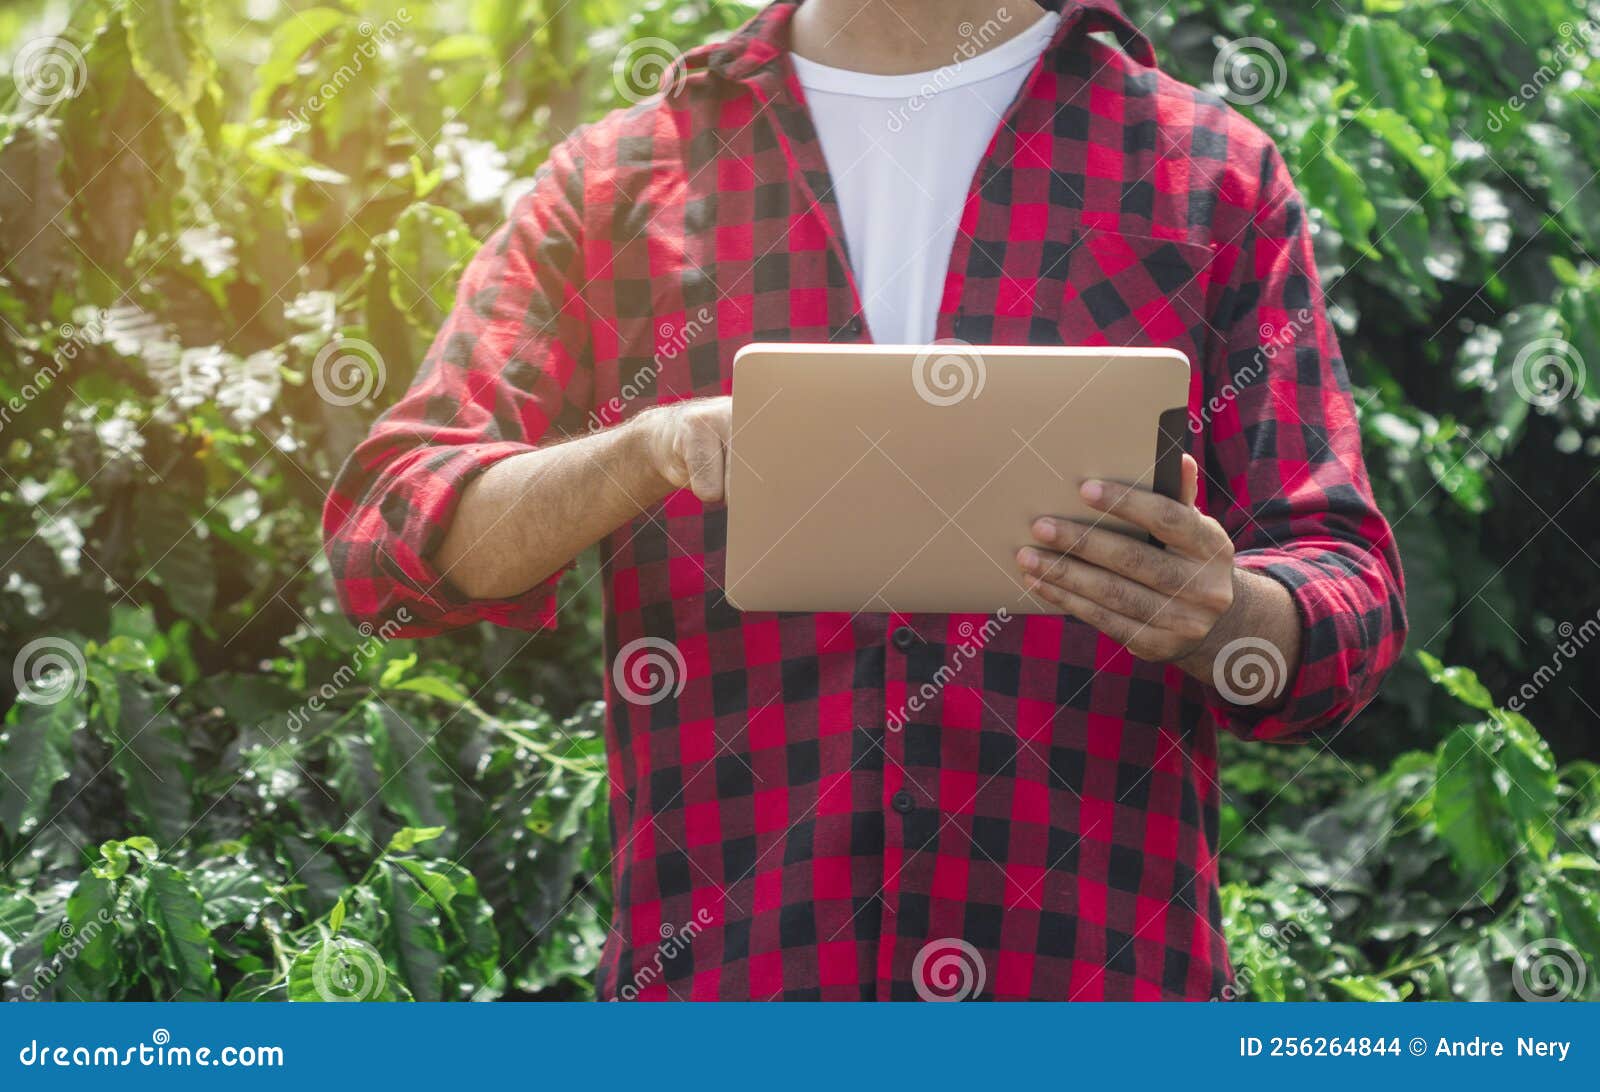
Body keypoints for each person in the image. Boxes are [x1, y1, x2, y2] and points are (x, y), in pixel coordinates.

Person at [324, 0, 1407, 1000]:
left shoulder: (1205, 172)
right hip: (730, 990)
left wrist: (1222, 613)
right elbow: (393, 542)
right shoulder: (621, 177)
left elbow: (1347, 596)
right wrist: (643, 452)